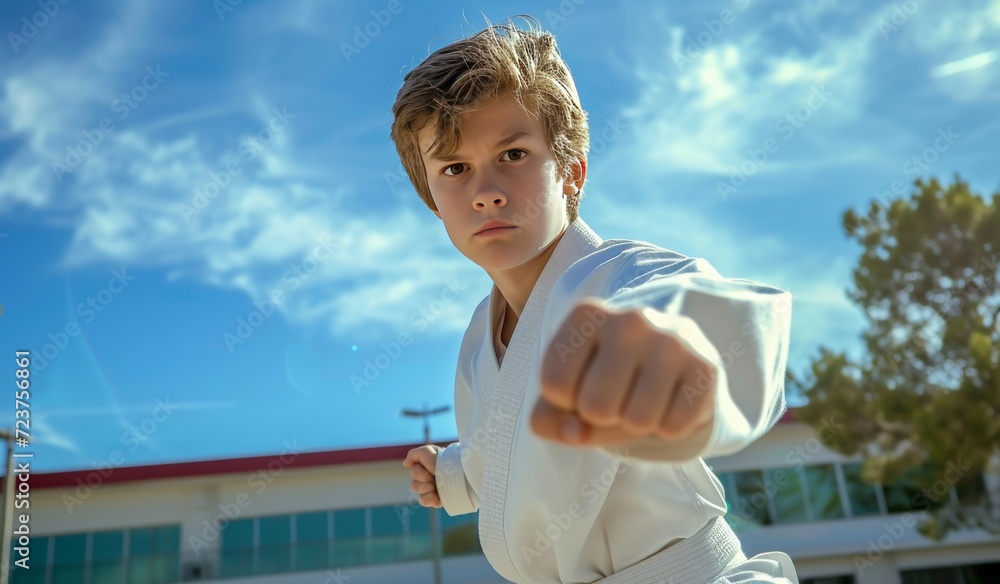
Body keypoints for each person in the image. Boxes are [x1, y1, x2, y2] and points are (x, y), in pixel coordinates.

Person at [393, 14, 798, 584]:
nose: (485, 193)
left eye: (513, 155)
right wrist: (454, 472)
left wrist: (683, 359)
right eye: (455, 168)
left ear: (572, 173)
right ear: (433, 200)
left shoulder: (621, 280)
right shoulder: (478, 340)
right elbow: (507, 451)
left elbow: (718, 319)